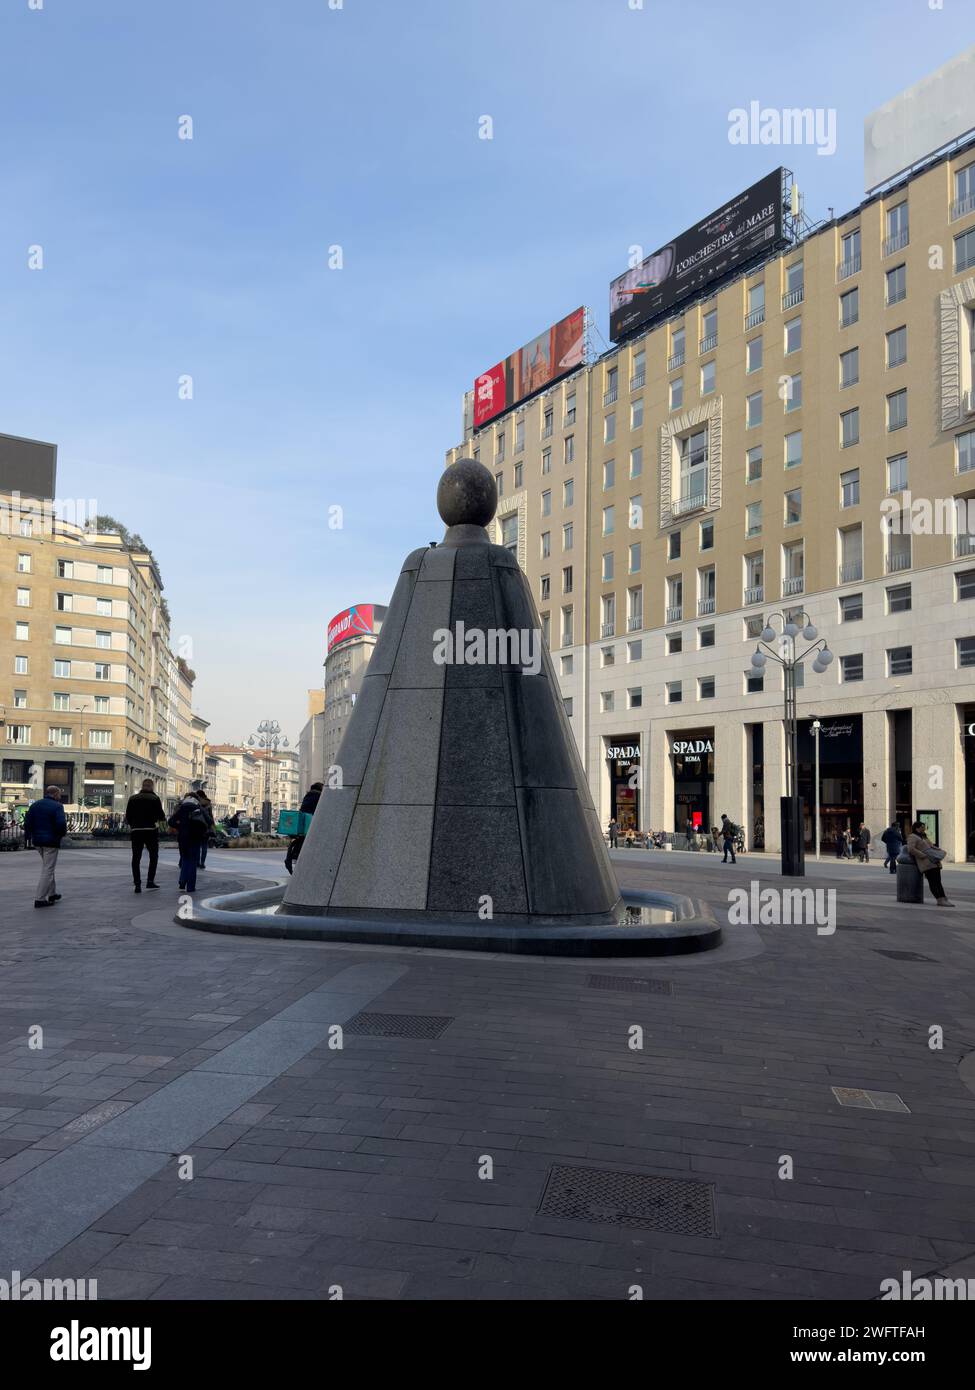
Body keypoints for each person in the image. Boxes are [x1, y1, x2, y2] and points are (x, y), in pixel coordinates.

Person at [23, 786, 67, 908]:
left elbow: (27, 823)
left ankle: (52, 893)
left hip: (37, 841)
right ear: (55, 794)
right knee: (48, 869)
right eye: (59, 794)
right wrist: (60, 835)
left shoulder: (35, 805)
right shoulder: (58, 806)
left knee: (48, 867)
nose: (60, 796)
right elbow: (61, 824)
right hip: (51, 841)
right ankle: (40, 898)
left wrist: (28, 837)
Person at [124, 778, 166, 893]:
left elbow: (128, 816)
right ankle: (150, 881)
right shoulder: (155, 798)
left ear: (142, 786)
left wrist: (134, 824)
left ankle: (137, 884)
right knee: (153, 857)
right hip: (150, 831)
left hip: (136, 831)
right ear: (152, 787)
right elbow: (161, 816)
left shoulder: (132, 798)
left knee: (136, 858)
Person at [168, 789, 209, 892]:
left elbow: (171, 821)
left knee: (185, 859)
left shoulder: (182, 808)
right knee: (193, 862)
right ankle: (190, 886)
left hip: (183, 838)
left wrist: (180, 826)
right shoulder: (198, 808)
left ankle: (182, 882)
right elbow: (209, 821)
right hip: (195, 837)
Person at [906, 821, 954, 906]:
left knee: (938, 881)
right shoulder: (912, 837)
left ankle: (943, 898)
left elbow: (931, 846)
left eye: (924, 827)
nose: (924, 829)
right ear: (917, 828)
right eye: (922, 827)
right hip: (926, 863)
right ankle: (939, 899)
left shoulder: (923, 836)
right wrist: (923, 855)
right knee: (933, 882)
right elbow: (911, 849)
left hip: (934, 861)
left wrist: (938, 850)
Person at [285, 782, 323, 875]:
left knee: (303, 840)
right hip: (311, 824)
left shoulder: (308, 796)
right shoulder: (319, 797)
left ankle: (295, 855)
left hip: (303, 824)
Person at [194, 787, 215, 869]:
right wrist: (212, 826)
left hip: (198, 826)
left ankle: (197, 862)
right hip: (206, 827)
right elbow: (211, 816)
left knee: (197, 846)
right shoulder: (208, 803)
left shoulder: (196, 803)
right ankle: (202, 862)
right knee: (204, 846)